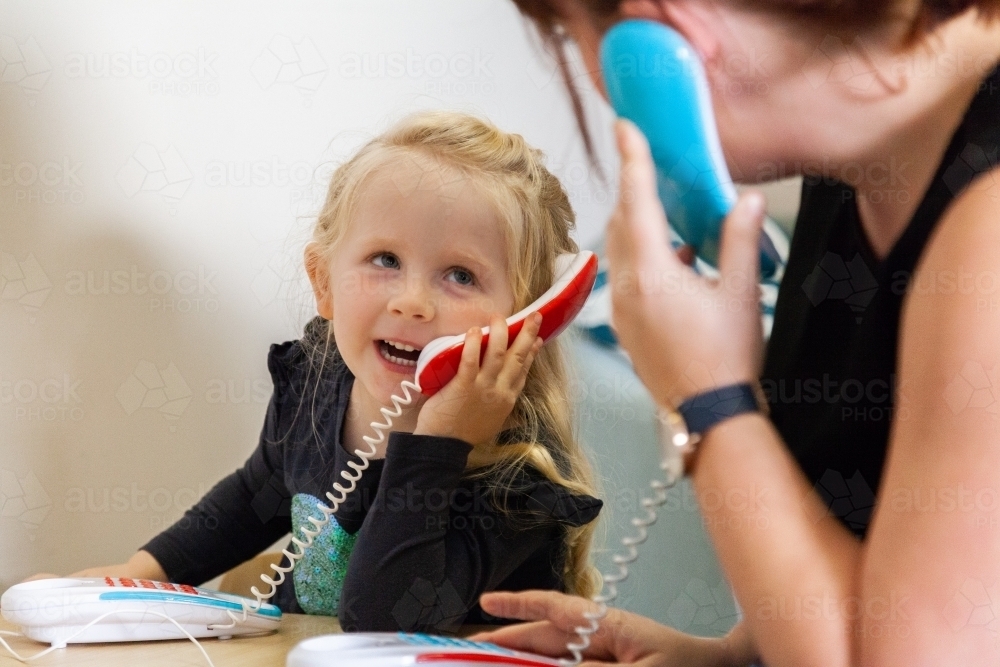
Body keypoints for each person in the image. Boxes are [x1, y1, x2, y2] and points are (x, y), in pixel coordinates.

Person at [473, 0, 1000, 665]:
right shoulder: (852, 179)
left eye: (570, 35)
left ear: (660, 27)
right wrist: (720, 657)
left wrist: (711, 397)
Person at [36, 111, 603, 633]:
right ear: (324, 282)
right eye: (386, 260)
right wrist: (140, 572)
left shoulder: (516, 478)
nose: (413, 301)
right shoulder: (315, 383)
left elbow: (383, 621)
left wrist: (439, 444)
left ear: (532, 321)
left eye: (459, 275)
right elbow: (253, 498)